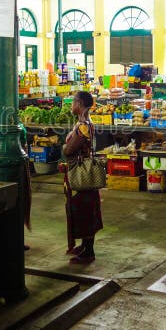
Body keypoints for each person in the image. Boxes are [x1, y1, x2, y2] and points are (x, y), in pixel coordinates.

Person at [62, 91, 102, 265]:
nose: (71, 106)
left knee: (83, 210)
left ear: (79, 104)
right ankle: (85, 246)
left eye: (73, 103)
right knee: (85, 208)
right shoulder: (86, 123)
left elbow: (68, 150)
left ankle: (89, 251)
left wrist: (65, 146)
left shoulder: (83, 126)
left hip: (81, 173)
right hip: (84, 170)